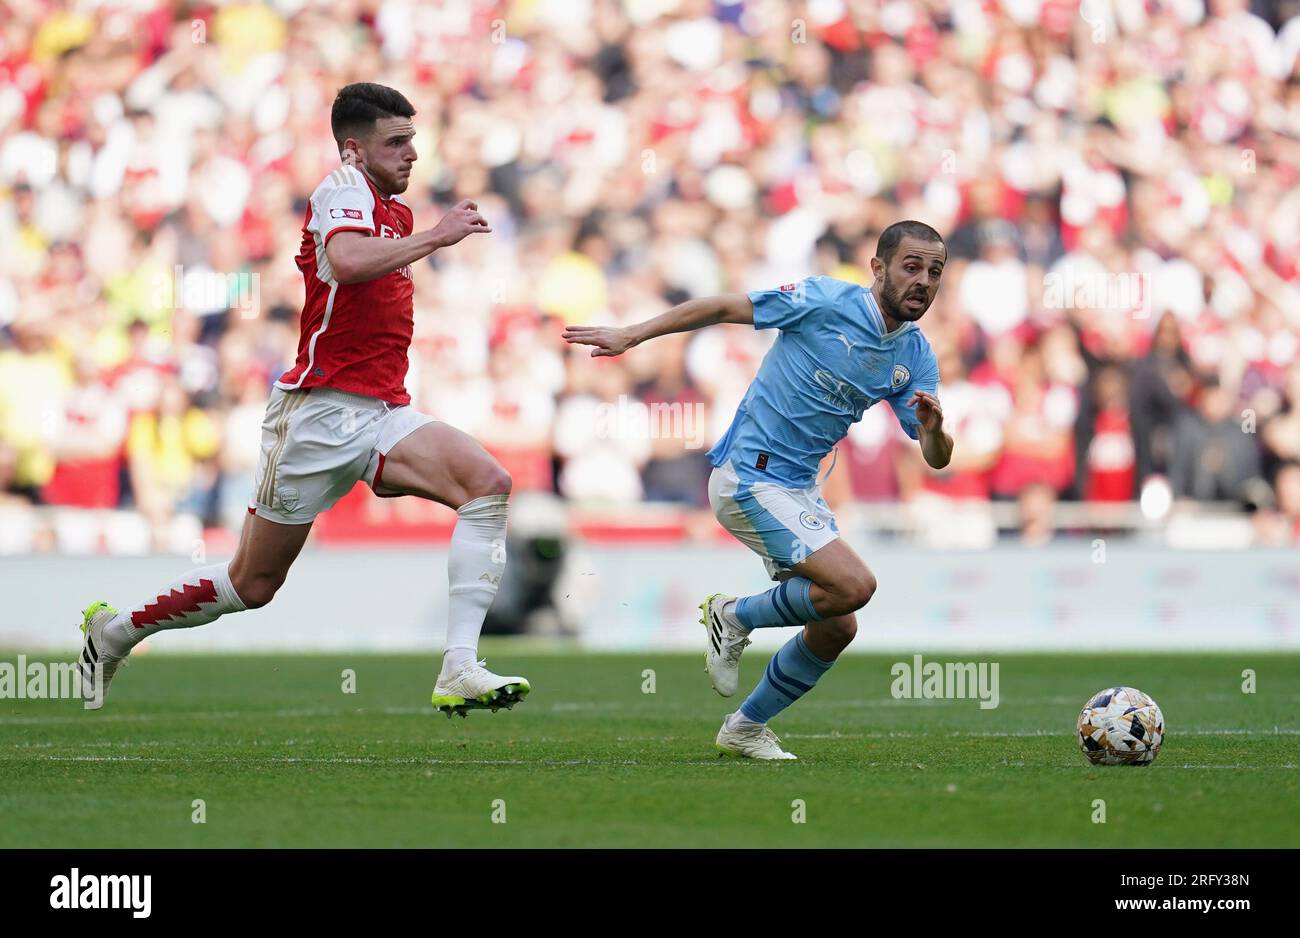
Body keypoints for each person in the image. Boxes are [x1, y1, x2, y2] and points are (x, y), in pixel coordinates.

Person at [77, 83, 529, 717]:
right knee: (252, 584)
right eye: (395, 143)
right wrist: (437, 236)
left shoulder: (389, 211)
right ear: (354, 148)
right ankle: (115, 631)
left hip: (380, 412)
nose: (411, 155)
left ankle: (459, 666)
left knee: (487, 483)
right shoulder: (342, 188)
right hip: (316, 416)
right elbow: (344, 262)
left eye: (412, 142)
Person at [564, 220, 953, 759]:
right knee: (856, 584)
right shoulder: (823, 301)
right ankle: (735, 614)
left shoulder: (915, 355)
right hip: (749, 475)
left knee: (838, 623)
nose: (924, 282)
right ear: (879, 268)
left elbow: (935, 458)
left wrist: (934, 431)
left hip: (798, 490)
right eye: (912, 267)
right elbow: (724, 308)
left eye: (935, 272)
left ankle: (744, 727)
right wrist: (633, 334)